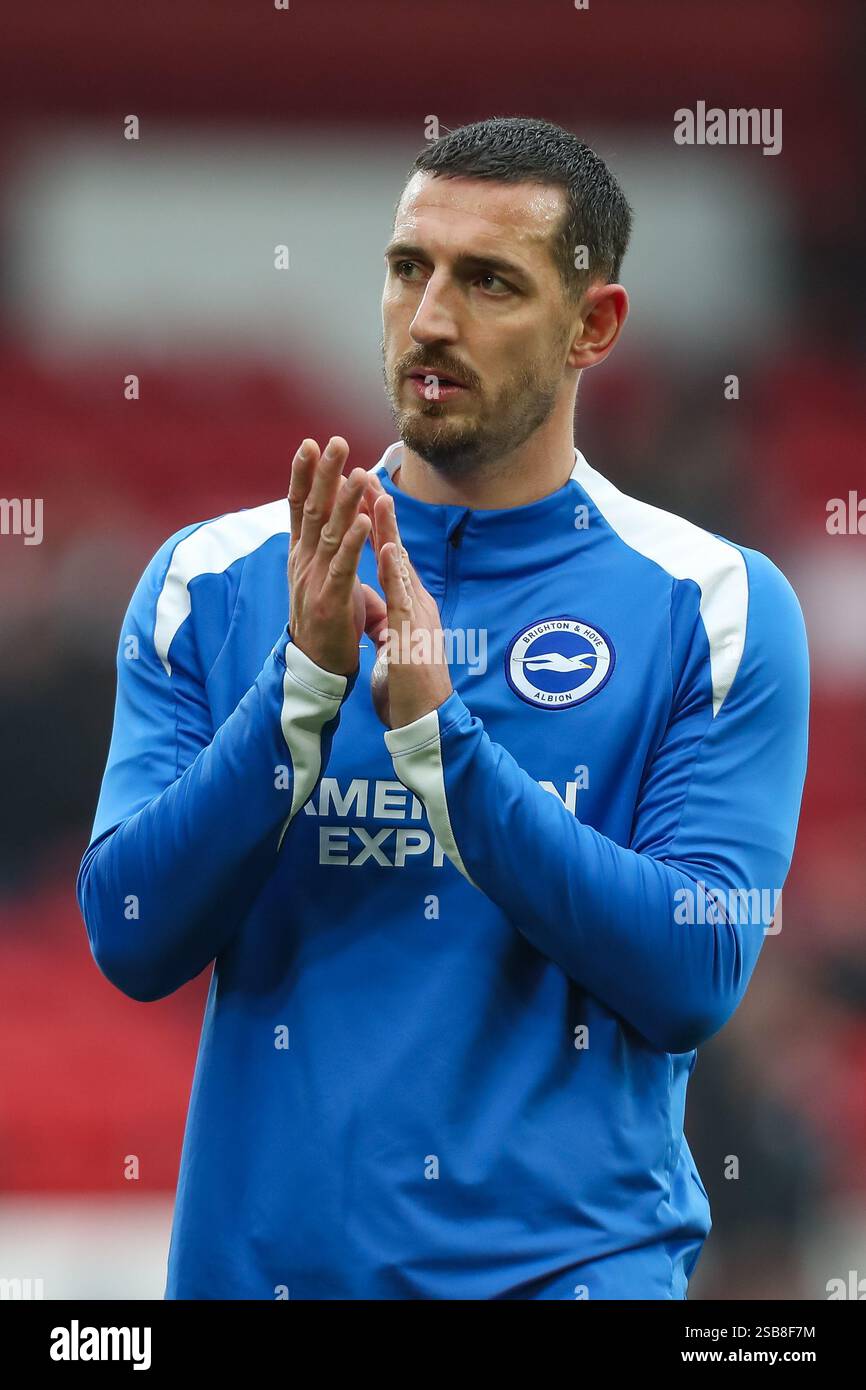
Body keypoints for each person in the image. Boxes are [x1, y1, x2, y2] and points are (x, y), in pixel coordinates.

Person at [77, 116, 809, 1299]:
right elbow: (128, 932)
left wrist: (440, 747)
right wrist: (295, 699)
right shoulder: (210, 581)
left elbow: (691, 973)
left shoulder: (712, 602)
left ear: (593, 326)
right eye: (408, 267)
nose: (428, 319)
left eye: (487, 282)